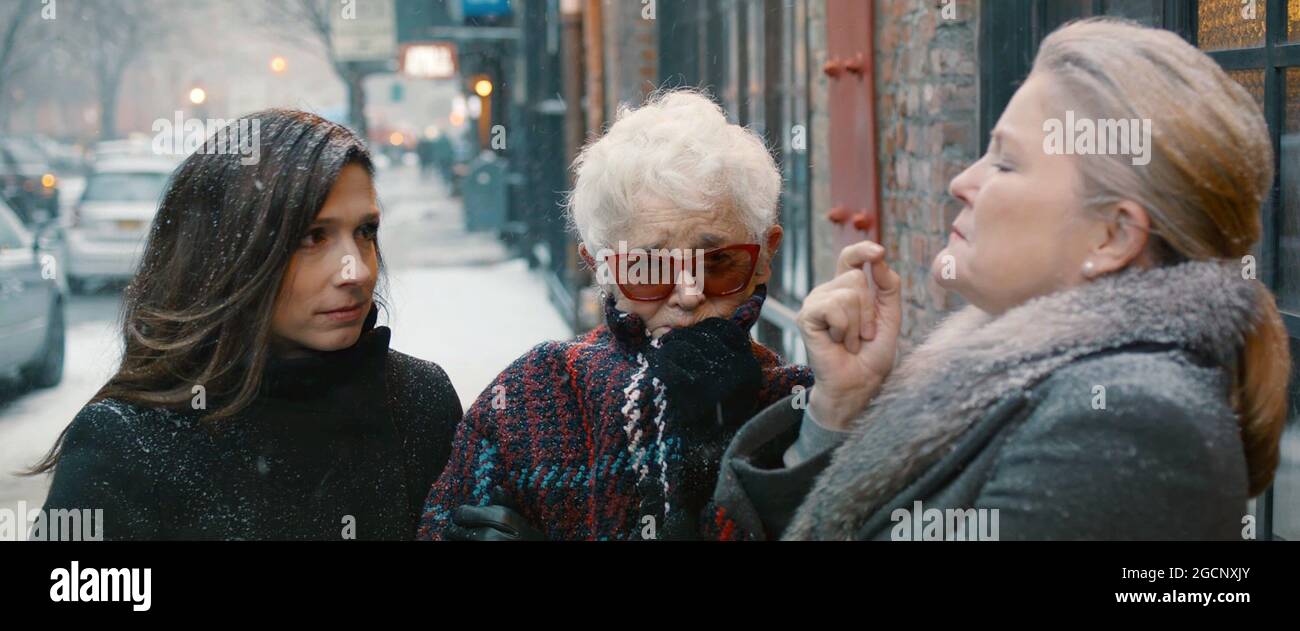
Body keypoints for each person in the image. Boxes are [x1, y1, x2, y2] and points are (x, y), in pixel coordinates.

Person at [713, 18, 1292, 540]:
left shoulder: (1123, 425)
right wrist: (840, 409)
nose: (962, 181)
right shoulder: (1020, 379)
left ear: (1112, 236)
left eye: (1006, 162)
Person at [32, 109, 463, 540]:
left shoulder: (417, 401)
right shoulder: (128, 445)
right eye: (313, 237)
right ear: (229, 254)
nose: (356, 272)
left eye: (365, 231)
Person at [418, 90, 813, 541]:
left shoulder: (800, 408)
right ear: (599, 267)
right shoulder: (534, 397)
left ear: (764, 256)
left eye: (717, 262)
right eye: (648, 267)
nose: (688, 294)